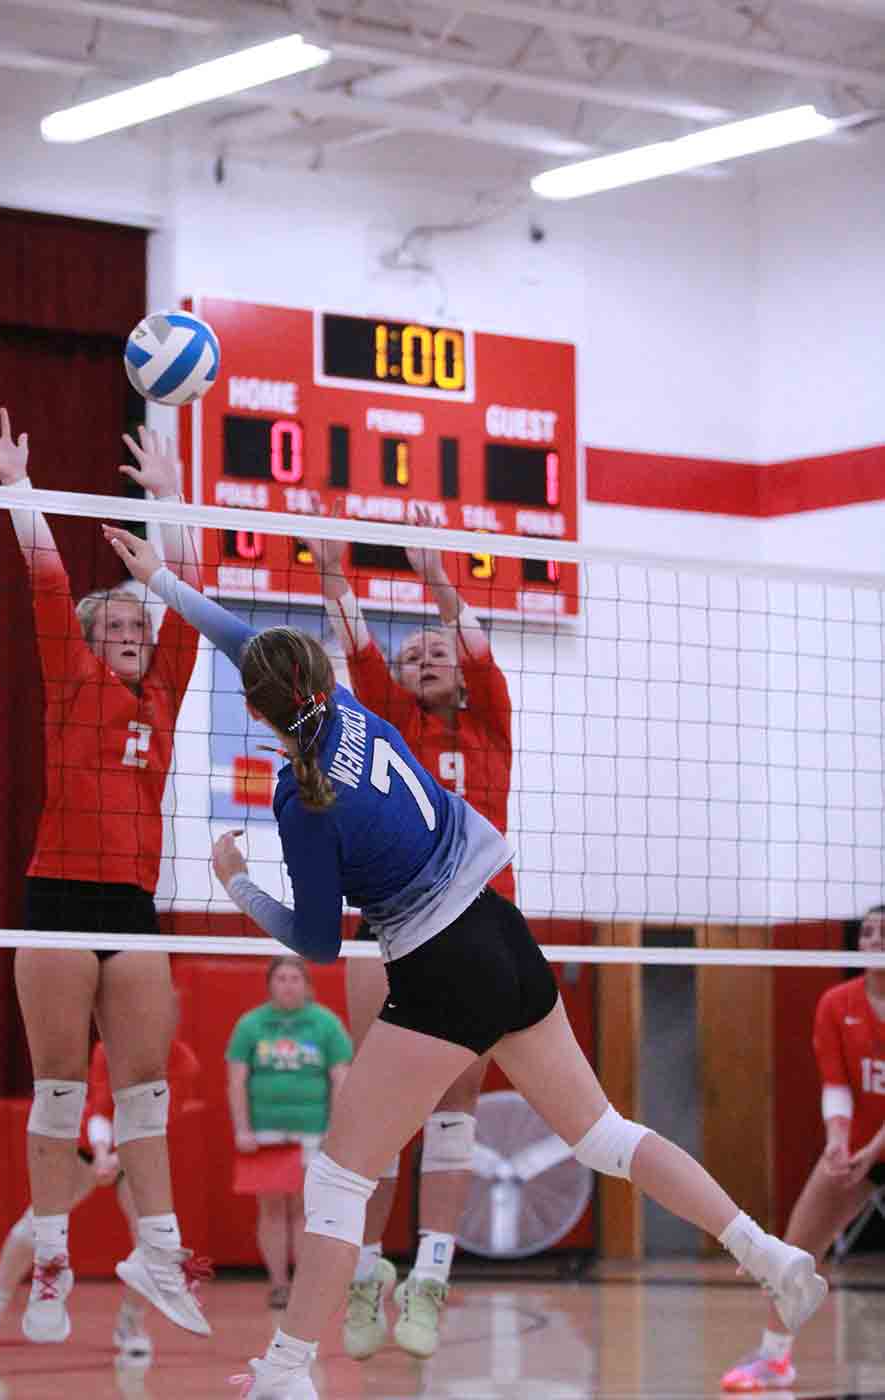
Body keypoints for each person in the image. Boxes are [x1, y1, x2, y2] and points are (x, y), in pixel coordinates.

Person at [103, 523, 828, 1400]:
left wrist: (236, 886)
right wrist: (168, 587)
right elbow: (250, 646)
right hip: (505, 932)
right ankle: (765, 1250)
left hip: (439, 969)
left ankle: (286, 1375)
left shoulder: (301, 800)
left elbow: (321, 942)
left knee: (336, 1176)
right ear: (321, 682)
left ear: (256, 714)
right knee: (603, 1136)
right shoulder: (356, 714)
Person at [0, 410, 209, 1344]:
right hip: (59, 895)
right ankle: (54, 1257)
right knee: (62, 1087)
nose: (134, 628)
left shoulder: (167, 689)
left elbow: (185, 593)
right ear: (89, 639)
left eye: (138, 620)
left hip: (132, 905)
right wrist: (21, 491)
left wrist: (167, 493)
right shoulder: (72, 679)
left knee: (142, 1087)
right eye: (116, 622)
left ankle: (157, 1245)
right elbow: (47, 581)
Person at [305, 507, 513, 1358]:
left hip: (475, 925)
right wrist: (329, 568)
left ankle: (429, 1275)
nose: (424, 658)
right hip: (390, 922)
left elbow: (473, 643)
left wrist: (434, 572)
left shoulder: (490, 721)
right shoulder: (388, 726)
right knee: (373, 1101)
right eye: (410, 653)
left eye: (436, 653)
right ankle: (366, 1271)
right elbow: (352, 646)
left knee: (455, 1106)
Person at [0, 1034, 201, 1358]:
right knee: (36, 1222)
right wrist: (100, 1154)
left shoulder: (182, 1062)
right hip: (92, 1147)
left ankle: (130, 1324)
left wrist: (118, 1159)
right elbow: (99, 1104)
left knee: (152, 1242)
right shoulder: (107, 1049)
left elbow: (158, 1123)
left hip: (140, 1153)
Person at [721, 905, 885, 1392]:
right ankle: (774, 1360)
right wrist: (837, 1142)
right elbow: (835, 1083)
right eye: (869, 932)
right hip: (856, 1145)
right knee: (794, 1250)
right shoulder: (837, 1002)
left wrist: (873, 1150)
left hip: (874, 1146)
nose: (875, 939)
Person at [227, 957, 352, 1310]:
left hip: (312, 1132)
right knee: (270, 1208)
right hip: (266, 1132)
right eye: (281, 978)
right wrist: (242, 1128)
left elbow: (340, 1079)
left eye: (295, 977)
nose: (288, 984)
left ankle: (303, 1284)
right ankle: (279, 1284)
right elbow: (236, 1080)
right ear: (270, 984)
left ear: (308, 984)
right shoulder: (251, 1025)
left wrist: (337, 1130)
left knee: (304, 1207)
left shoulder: (326, 1024)